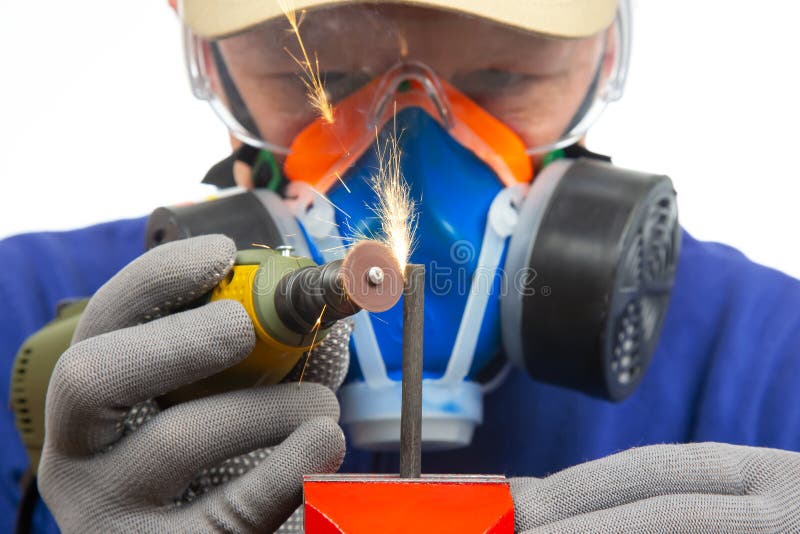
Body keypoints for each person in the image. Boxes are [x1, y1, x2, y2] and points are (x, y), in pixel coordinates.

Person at [2, 0, 800, 532]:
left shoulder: (772, 362)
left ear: (608, 44)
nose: (402, 150)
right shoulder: (21, 309)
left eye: (503, 76)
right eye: (320, 77)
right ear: (200, 42)